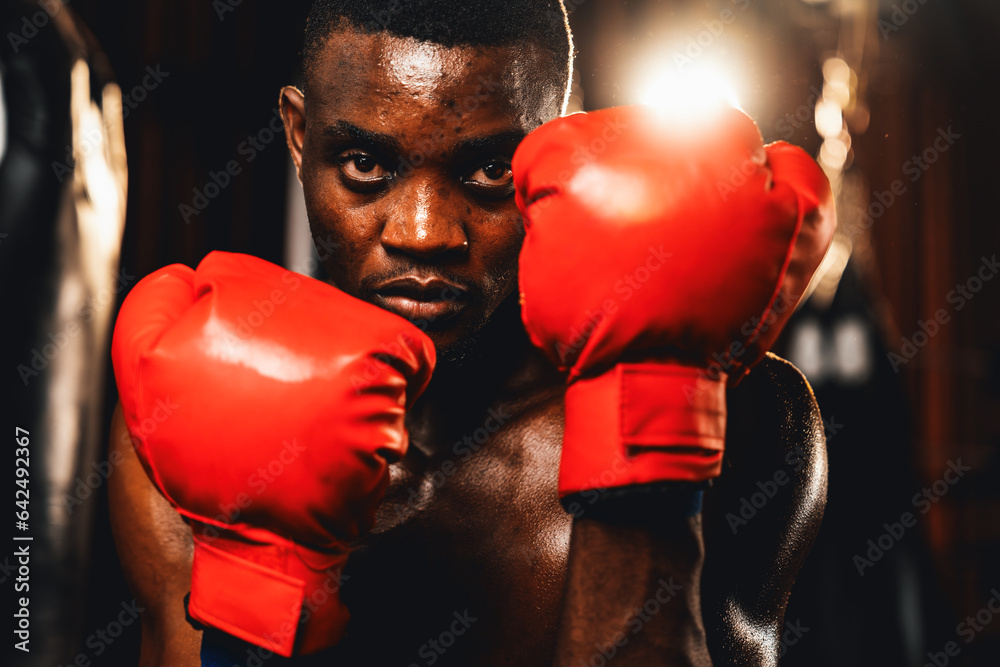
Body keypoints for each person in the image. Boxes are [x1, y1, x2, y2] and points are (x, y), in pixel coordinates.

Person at [107, 1, 831, 665]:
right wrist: (251, 603)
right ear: (298, 136)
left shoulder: (746, 417)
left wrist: (647, 418)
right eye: (366, 165)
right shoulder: (183, 410)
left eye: (489, 170)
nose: (423, 232)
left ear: (558, 148)